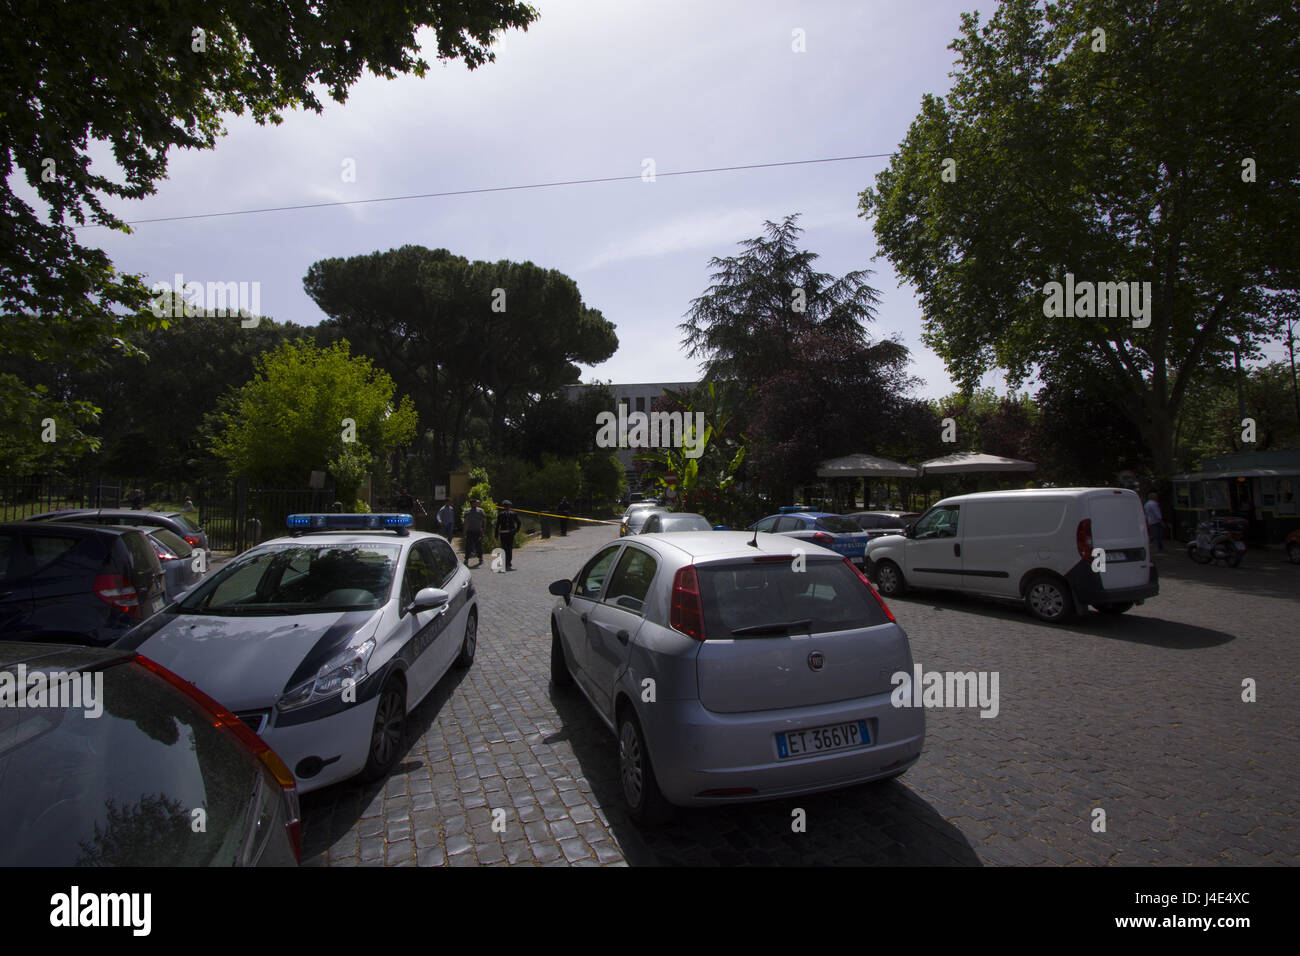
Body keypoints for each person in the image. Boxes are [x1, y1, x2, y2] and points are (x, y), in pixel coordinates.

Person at [497, 500, 521, 571]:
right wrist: (496, 534)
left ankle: (508, 563)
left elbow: (519, 522)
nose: (507, 508)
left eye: (508, 506)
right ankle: (504, 563)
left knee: (509, 549)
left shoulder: (513, 514)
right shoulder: (500, 514)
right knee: (504, 548)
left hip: (510, 533)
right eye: (506, 506)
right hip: (503, 533)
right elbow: (498, 525)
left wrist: (516, 530)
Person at [463, 498, 487, 566]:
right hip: (470, 531)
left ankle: (480, 558)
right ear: (471, 504)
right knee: (468, 546)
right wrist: (464, 532)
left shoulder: (480, 511)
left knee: (478, 545)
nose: (475, 504)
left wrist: (483, 529)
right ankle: (466, 559)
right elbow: (465, 522)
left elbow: (484, 520)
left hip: (478, 531)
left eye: (476, 503)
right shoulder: (467, 511)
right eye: (474, 503)